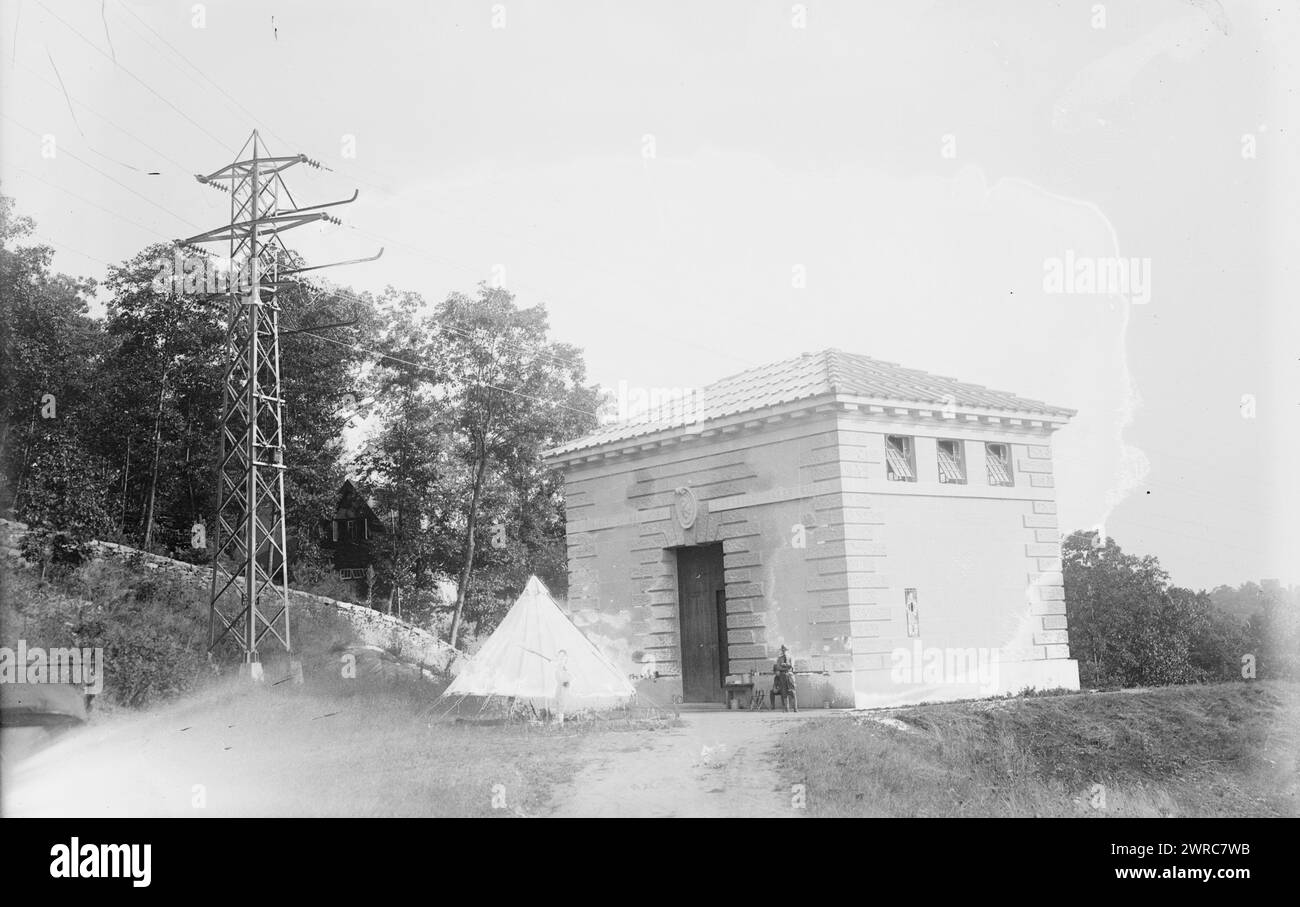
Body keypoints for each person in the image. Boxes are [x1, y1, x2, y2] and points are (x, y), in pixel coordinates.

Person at [773, 645, 797, 712]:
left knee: (793, 692)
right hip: (782, 675)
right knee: (784, 692)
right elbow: (778, 667)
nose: (783, 651)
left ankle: (795, 708)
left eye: (785, 650)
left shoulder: (791, 657)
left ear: (787, 650)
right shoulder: (779, 658)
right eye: (782, 650)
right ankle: (787, 709)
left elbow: (791, 666)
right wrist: (785, 666)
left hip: (790, 675)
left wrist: (784, 665)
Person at [553, 649, 572, 724]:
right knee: (557, 702)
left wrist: (567, 682)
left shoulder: (566, 666)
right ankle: (559, 721)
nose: (561, 657)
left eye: (563, 656)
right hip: (559, 686)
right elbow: (557, 676)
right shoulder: (559, 666)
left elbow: (569, 677)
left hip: (564, 688)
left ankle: (561, 722)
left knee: (561, 703)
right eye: (560, 656)